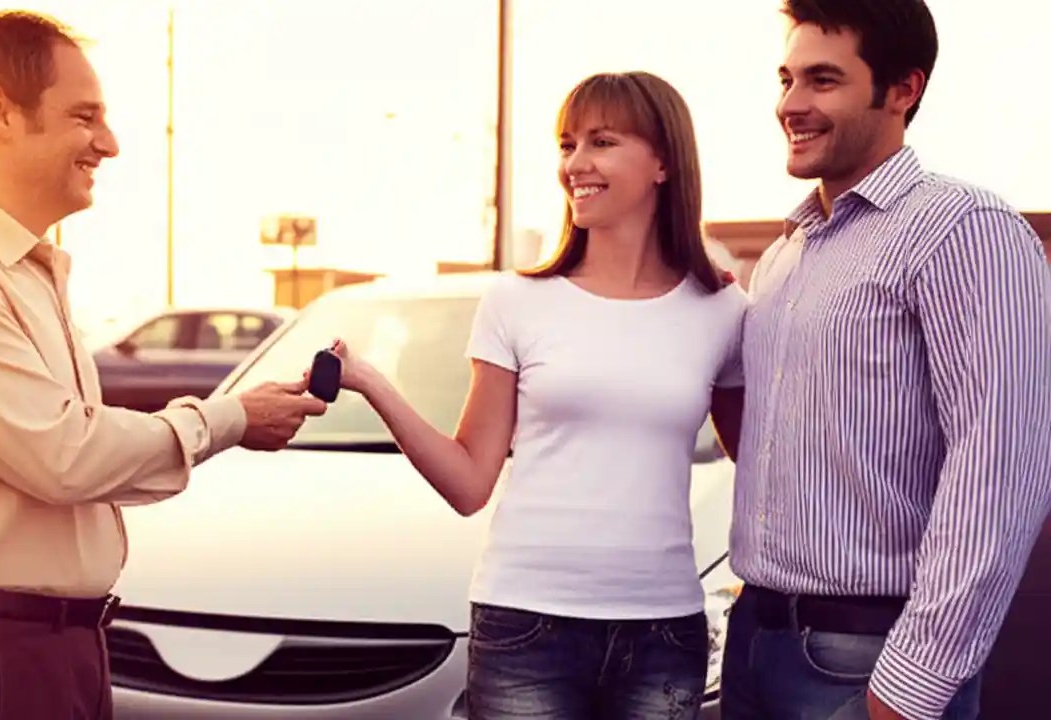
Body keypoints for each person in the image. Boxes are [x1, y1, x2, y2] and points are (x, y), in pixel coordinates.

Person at [0, 11, 326, 719]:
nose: (111, 143)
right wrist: (230, 419)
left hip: (54, 649)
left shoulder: (25, 272)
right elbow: (62, 454)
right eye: (85, 116)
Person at [315, 71, 747, 719]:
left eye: (601, 142)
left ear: (663, 161)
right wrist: (374, 383)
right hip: (527, 626)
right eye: (567, 144)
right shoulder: (517, 302)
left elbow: (763, 466)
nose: (575, 164)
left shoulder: (722, 309)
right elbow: (468, 484)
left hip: (663, 631)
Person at [721, 1, 1051, 719]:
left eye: (823, 80)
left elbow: (999, 469)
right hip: (754, 641)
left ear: (902, 90)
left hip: (866, 658)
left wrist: (914, 683)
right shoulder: (783, 256)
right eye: (786, 78)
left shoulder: (965, 231)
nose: (791, 104)